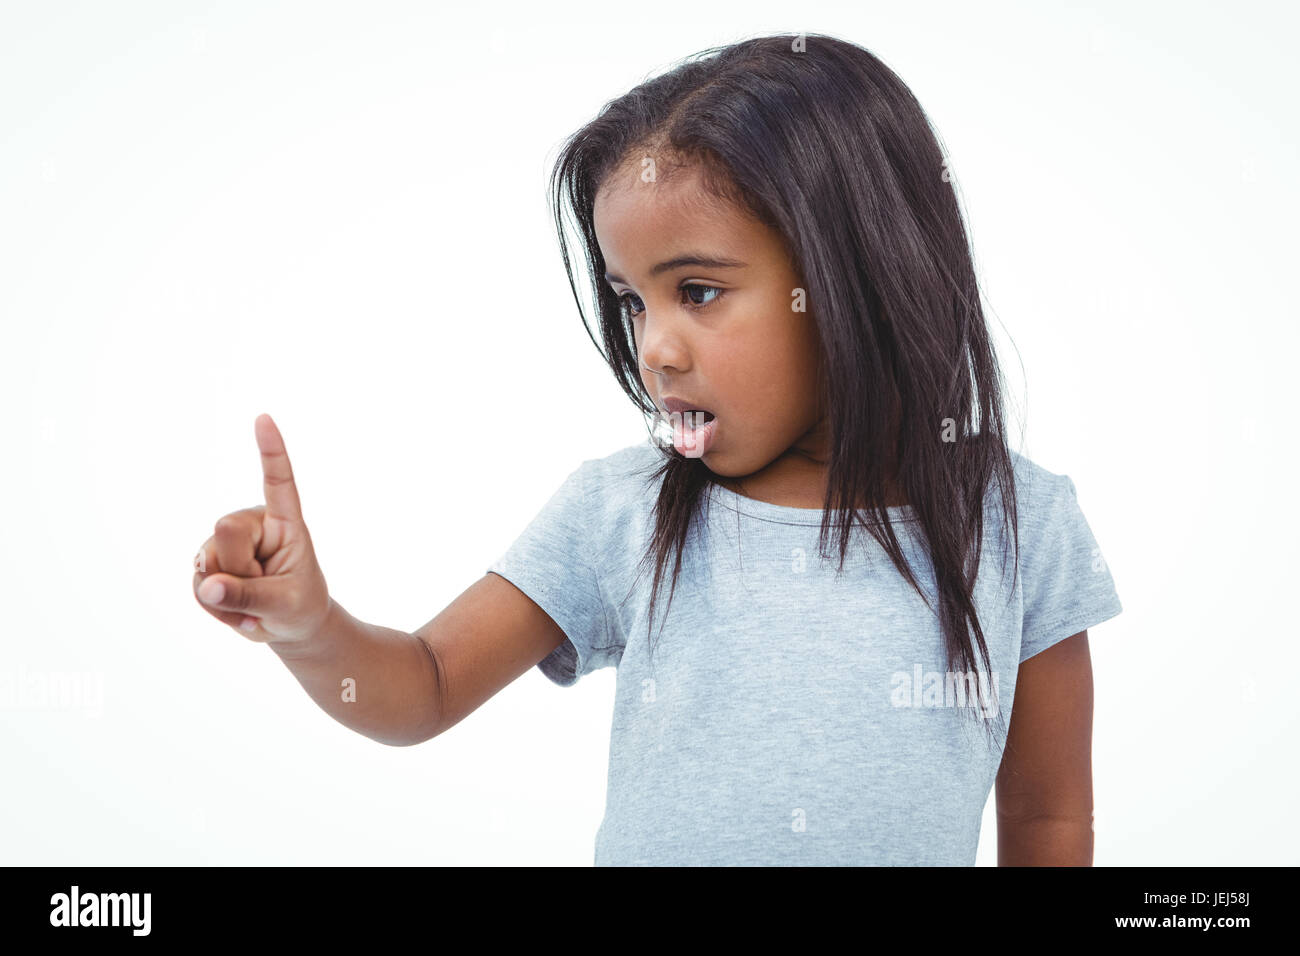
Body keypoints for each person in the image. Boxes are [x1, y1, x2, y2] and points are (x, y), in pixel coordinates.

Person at [192, 32, 1122, 866]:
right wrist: (311, 631)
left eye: (700, 292)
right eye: (635, 300)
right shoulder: (620, 510)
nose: (654, 346)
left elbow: (1046, 821)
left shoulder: (1020, 526)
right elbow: (425, 687)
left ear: (858, 273)